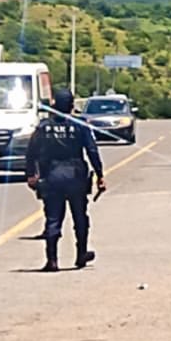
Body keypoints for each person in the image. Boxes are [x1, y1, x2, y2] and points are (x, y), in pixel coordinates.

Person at [24, 89, 105, 272]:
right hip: (76, 176)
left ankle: (52, 260)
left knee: (53, 218)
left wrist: (30, 175)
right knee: (80, 217)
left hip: (51, 176)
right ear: (71, 105)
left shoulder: (43, 127)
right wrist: (100, 175)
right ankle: (81, 253)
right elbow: (92, 150)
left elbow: (31, 152)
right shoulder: (80, 124)